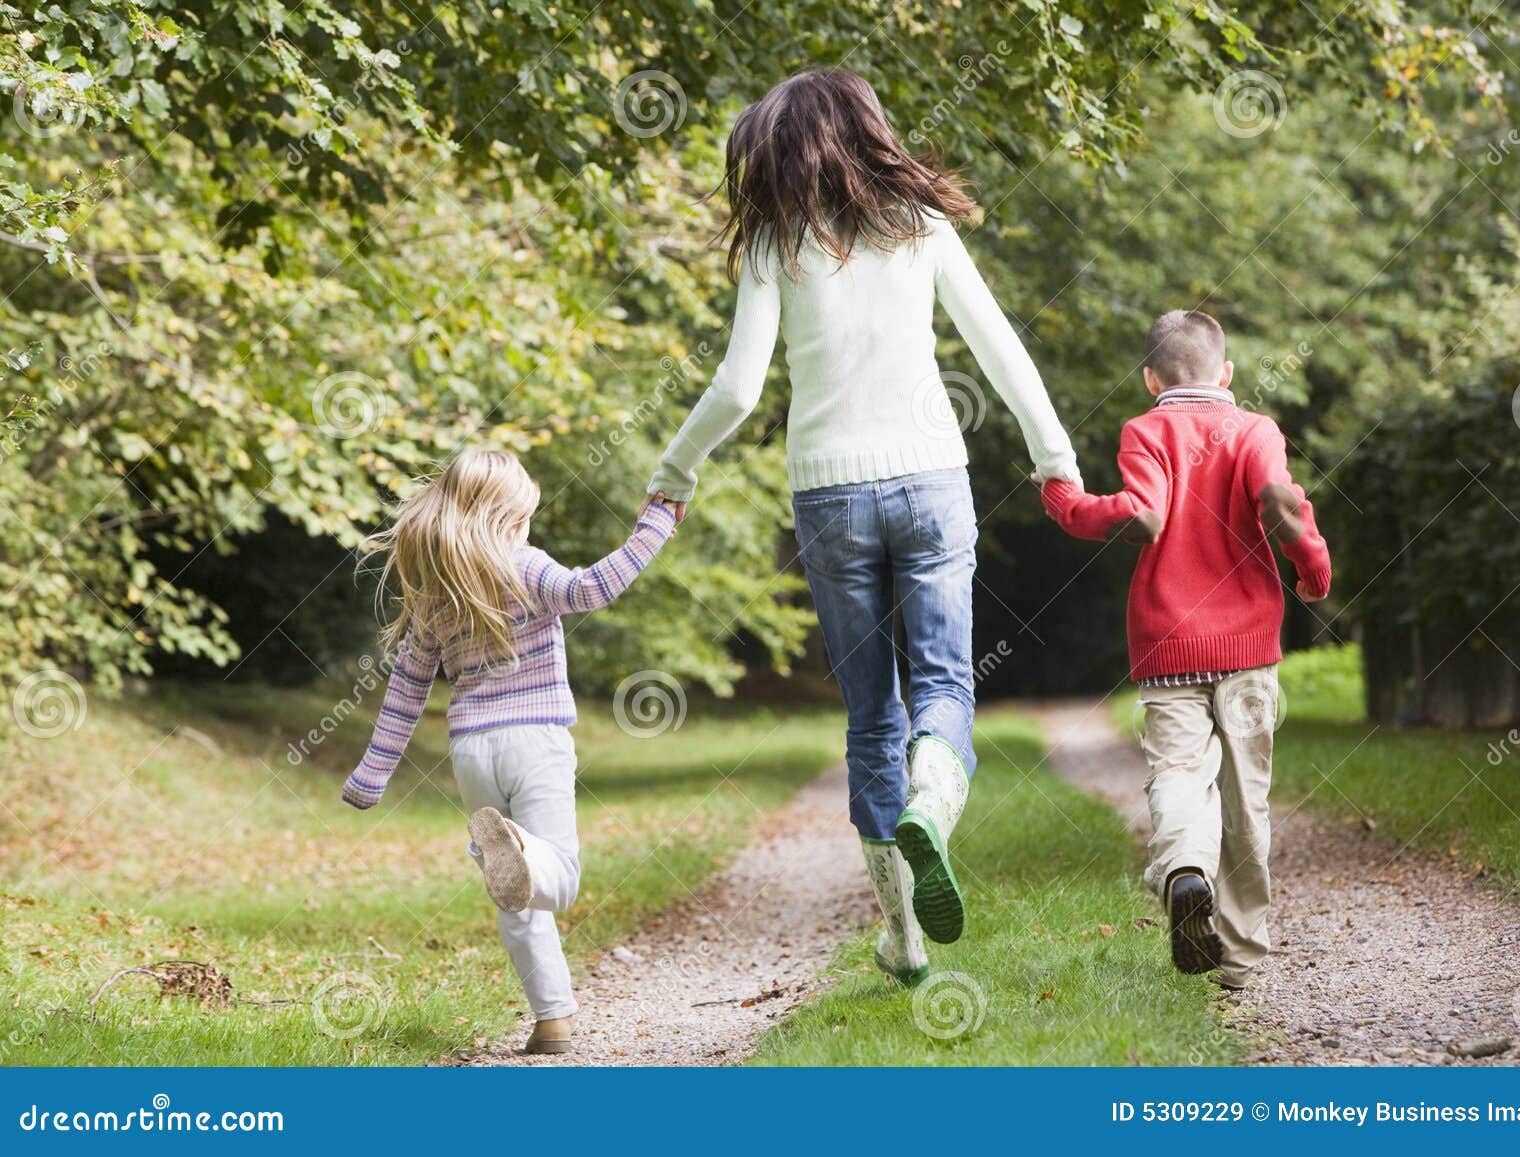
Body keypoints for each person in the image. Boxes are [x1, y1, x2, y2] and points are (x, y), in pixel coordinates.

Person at [646, 68, 1081, 981]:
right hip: (931, 482)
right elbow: (1002, 346)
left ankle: (903, 935)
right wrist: (1056, 462)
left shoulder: (775, 240)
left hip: (829, 497)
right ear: (867, 127)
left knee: (867, 715)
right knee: (944, 687)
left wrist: (673, 471)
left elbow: (737, 388)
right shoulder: (921, 225)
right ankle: (934, 795)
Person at [341, 448, 676, 1051]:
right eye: (524, 514)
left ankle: (552, 1021)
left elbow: (407, 685)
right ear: (505, 518)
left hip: (472, 750)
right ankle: (520, 847)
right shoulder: (526, 565)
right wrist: (656, 525)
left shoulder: (434, 591)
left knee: (514, 895)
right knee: (559, 877)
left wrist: (374, 770)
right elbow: (592, 587)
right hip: (536, 740)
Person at [1040, 309, 1331, 990]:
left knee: (1176, 773)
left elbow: (1144, 513)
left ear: (1151, 378)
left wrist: (1068, 503)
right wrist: (1311, 565)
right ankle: (1241, 952)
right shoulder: (1255, 429)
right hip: (1249, 641)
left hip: (1170, 640)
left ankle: (1184, 872)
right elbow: (1279, 500)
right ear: (1226, 373)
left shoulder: (1145, 429)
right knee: (1245, 794)